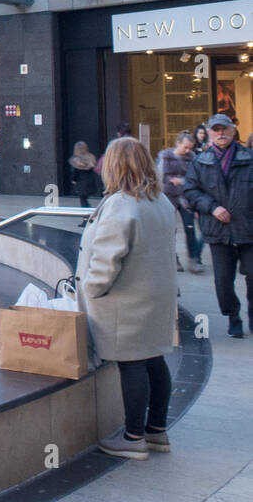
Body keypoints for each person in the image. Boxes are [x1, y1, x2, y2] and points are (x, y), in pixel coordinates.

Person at [74, 137, 177, 460]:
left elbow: (107, 259)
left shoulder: (121, 203)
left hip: (124, 301)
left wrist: (91, 290)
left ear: (115, 166)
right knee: (155, 360)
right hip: (154, 298)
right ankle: (156, 430)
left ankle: (133, 437)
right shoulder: (160, 201)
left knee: (132, 364)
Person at [183, 113, 253, 338]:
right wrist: (212, 208)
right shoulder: (200, 162)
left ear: (233, 131)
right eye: (216, 129)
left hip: (248, 229)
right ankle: (233, 316)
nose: (221, 133)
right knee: (223, 282)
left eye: (225, 129)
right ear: (209, 133)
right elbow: (190, 192)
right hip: (217, 231)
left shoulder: (248, 158)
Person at [158, 132, 203, 274]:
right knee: (170, 230)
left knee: (190, 229)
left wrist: (182, 181)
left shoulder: (192, 158)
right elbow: (160, 177)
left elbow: (196, 178)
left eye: (190, 148)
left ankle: (194, 260)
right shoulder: (165, 157)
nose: (187, 151)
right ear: (178, 143)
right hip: (168, 197)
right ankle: (173, 259)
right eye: (185, 147)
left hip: (185, 198)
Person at [69, 142, 97, 207]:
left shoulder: (75, 160)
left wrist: (73, 180)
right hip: (90, 181)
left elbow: (74, 172)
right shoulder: (91, 158)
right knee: (84, 199)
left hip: (80, 182)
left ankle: (86, 213)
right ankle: (88, 208)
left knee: (82, 199)